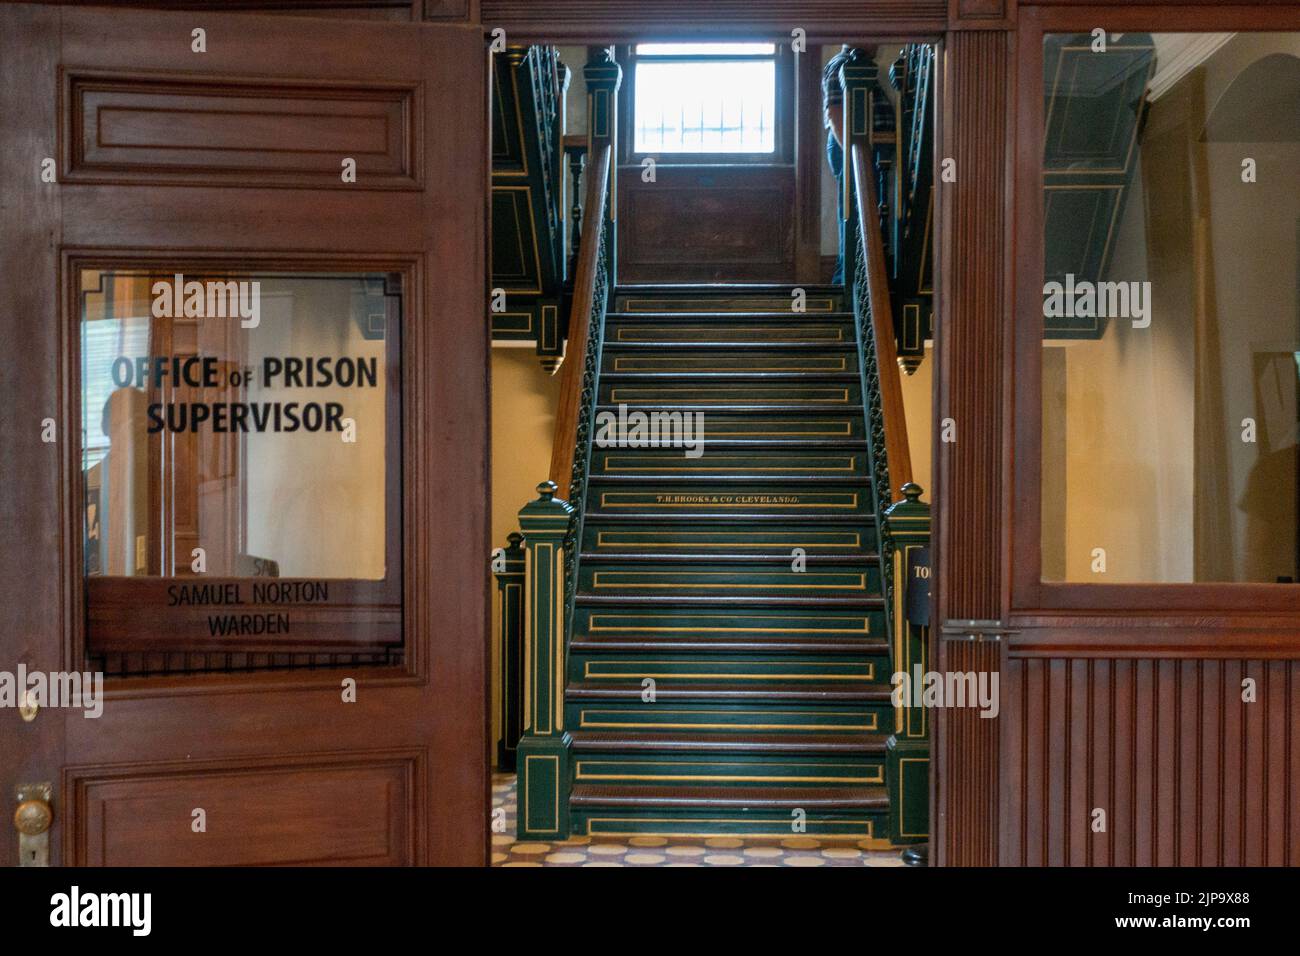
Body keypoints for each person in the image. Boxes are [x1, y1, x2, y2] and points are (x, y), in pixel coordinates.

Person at [823, 46, 853, 285]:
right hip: (847, 148)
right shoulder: (842, 63)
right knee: (851, 210)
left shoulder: (852, 63)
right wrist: (851, 153)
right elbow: (834, 113)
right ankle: (844, 278)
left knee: (854, 209)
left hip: (852, 149)